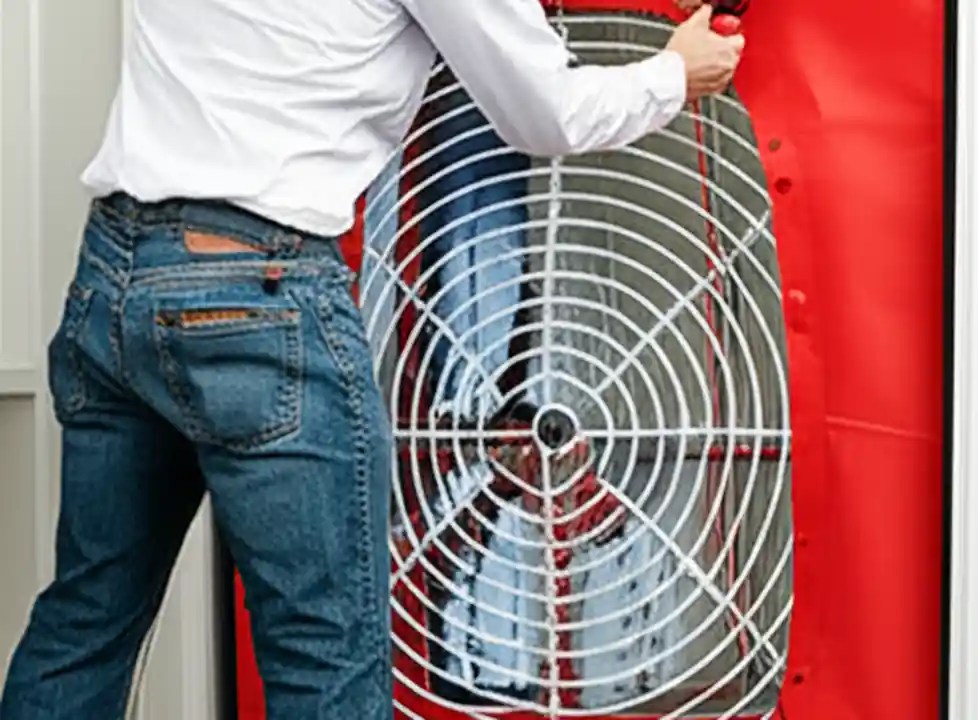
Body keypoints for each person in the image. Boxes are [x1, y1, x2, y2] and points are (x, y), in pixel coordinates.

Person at [0, 0, 744, 717]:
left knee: (87, 617)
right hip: (261, 285)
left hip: (115, 276)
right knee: (324, 647)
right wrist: (675, 73)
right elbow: (548, 114)